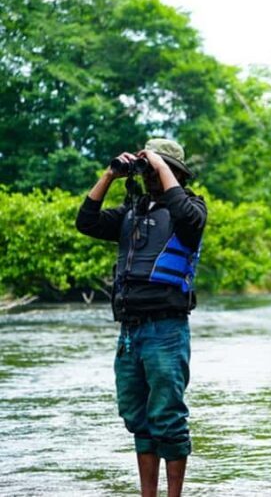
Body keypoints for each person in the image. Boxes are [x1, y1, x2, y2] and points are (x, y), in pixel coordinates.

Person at [75, 139, 206, 497]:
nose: (149, 175)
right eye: (148, 168)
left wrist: (161, 166)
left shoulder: (191, 208)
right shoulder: (130, 213)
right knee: (138, 418)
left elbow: (189, 219)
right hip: (130, 331)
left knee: (168, 417)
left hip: (166, 328)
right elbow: (85, 222)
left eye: (158, 168)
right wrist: (110, 175)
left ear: (175, 172)